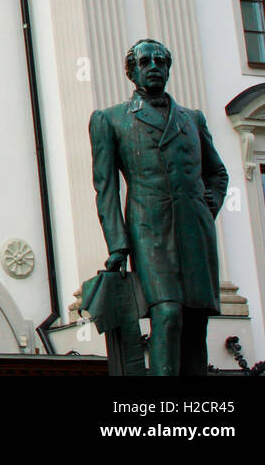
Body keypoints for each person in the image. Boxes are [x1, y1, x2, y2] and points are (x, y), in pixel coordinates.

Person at [88, 39, 229, 375]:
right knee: (167, 312)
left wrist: (211, 201)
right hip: (149, 228)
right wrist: (117, 243)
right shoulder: (110, 119)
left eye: (160, 61)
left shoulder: (193, 119)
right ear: (132, 70)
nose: (154, 66)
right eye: (145, 61)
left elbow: (217, 172)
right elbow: (105, 187)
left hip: (195, 229)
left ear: (168, 68)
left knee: (196, 319)